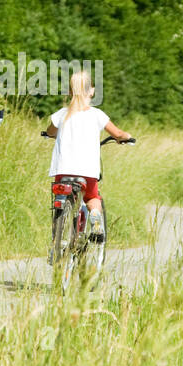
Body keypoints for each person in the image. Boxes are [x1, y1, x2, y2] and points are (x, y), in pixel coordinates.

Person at [44, 69, 131, 240]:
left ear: (70, 91)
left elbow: (50, 131)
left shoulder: (61, 115)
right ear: (91, 91)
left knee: (60, 197)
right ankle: (96, 222)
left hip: (63, 170)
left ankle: (58, 238)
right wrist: (126, 137)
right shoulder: (97, 115)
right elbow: (118, 133)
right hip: (87, 171)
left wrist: (51, 134)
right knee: (92, 197)